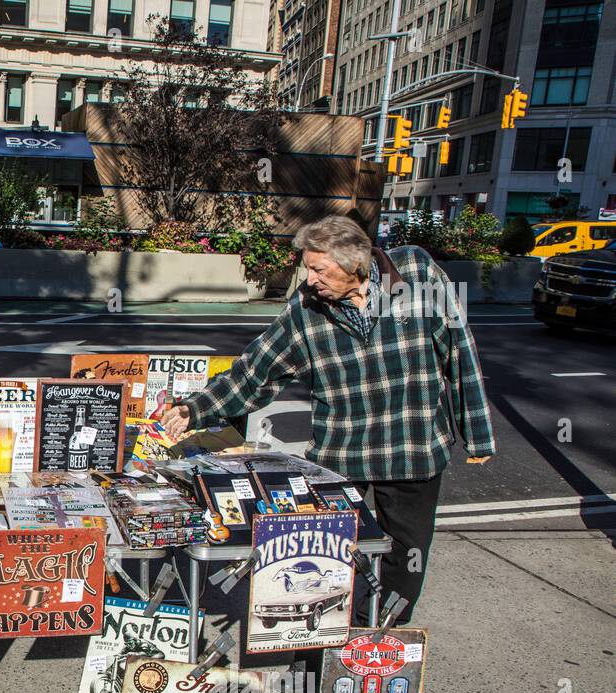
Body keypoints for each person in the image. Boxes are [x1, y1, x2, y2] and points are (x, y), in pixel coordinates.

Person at [159, 214, 494, 624]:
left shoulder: (419, 272)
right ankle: (325, 629)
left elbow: (459, 352)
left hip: (414, 448)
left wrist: (477, 437)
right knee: (327, 550)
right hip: (342, 453)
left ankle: (380, 635)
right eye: (307, 267)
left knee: (407, 553)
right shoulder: (306, 307)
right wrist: (195, 408)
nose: (310, 278)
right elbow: (255, 372)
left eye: (318, 268)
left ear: (353, 262)